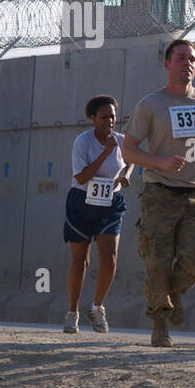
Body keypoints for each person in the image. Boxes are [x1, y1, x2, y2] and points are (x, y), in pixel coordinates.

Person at [121, 39, 195, 347]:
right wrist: (161, 162)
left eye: (193, 59)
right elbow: (128, 150)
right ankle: (160, 324)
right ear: (167, 64)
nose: (188, 64)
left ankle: (173, 294)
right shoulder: (150, 104)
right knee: (157, 261)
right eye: (181, 58)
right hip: (159, 194)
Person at [63, 95, 131, 333]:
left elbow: (133, 158)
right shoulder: (82, 142)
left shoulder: (122, 141)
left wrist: (126, 174)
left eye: (113, 116)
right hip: (82, 201)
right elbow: (80, 177)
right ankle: (73, 313)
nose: (110, 121)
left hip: (111, 202)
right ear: (93, 118)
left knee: (110, 255)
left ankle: (97, 308)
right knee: (81, 260)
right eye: (104, 117)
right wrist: (105, 153)